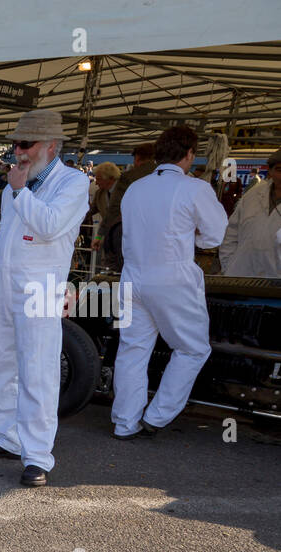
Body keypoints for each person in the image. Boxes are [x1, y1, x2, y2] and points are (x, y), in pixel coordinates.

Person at [0, 109, 89, 487]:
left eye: (26, 144)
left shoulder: (71, 182)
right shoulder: (14, 186)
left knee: (38, 369)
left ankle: (38, 455)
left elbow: (50, 225)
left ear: (51, 146)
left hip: (40, 288)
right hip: (4, 284)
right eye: (16, 144)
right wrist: (18, 189)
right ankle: (8, 436)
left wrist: (21, 191)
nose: (18, 151)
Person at [112, 126, 229, 440]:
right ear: (190, 154)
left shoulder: (136, 187)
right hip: (172, 277)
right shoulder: (195, 188)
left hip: (132, 276)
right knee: (192, 349)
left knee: (132, 350)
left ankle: (125, 422)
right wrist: (191, 235)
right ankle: (157, 416)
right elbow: (215, 235)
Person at [219, 147, 281, 277]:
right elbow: (231, 232)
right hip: (241, 273)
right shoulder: (253, 194)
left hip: (276, 278)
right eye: (279, 170)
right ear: (270, 170)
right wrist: (228, 265)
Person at [97, 142, 156, 272]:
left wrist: (100, 235)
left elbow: (115, 208)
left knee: (125, 273)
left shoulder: (129, 178)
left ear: (137, 158)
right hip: (159, 236)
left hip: (131, 233)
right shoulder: (164, 176)